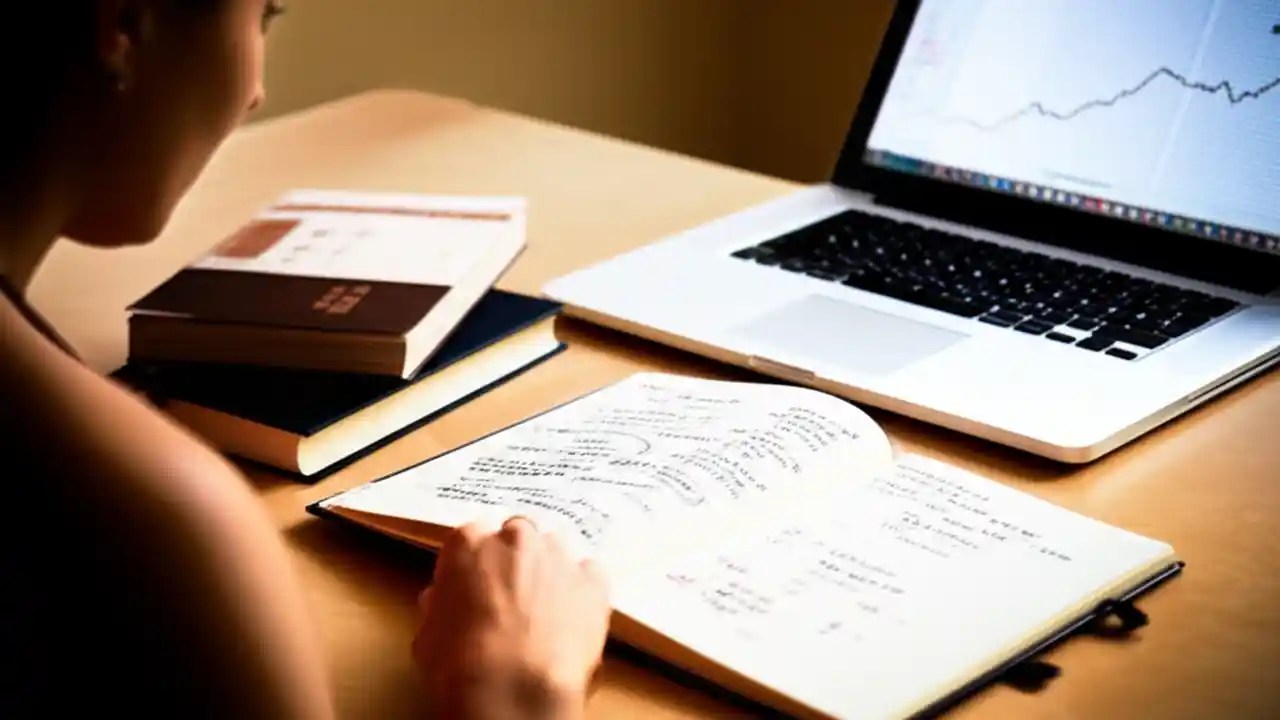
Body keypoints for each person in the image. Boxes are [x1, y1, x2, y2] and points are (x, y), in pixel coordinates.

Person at [0, 2, 611, 718]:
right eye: (263, 14)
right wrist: (511, 692)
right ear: (124, 24)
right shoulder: (158, 519)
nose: (257, 90)